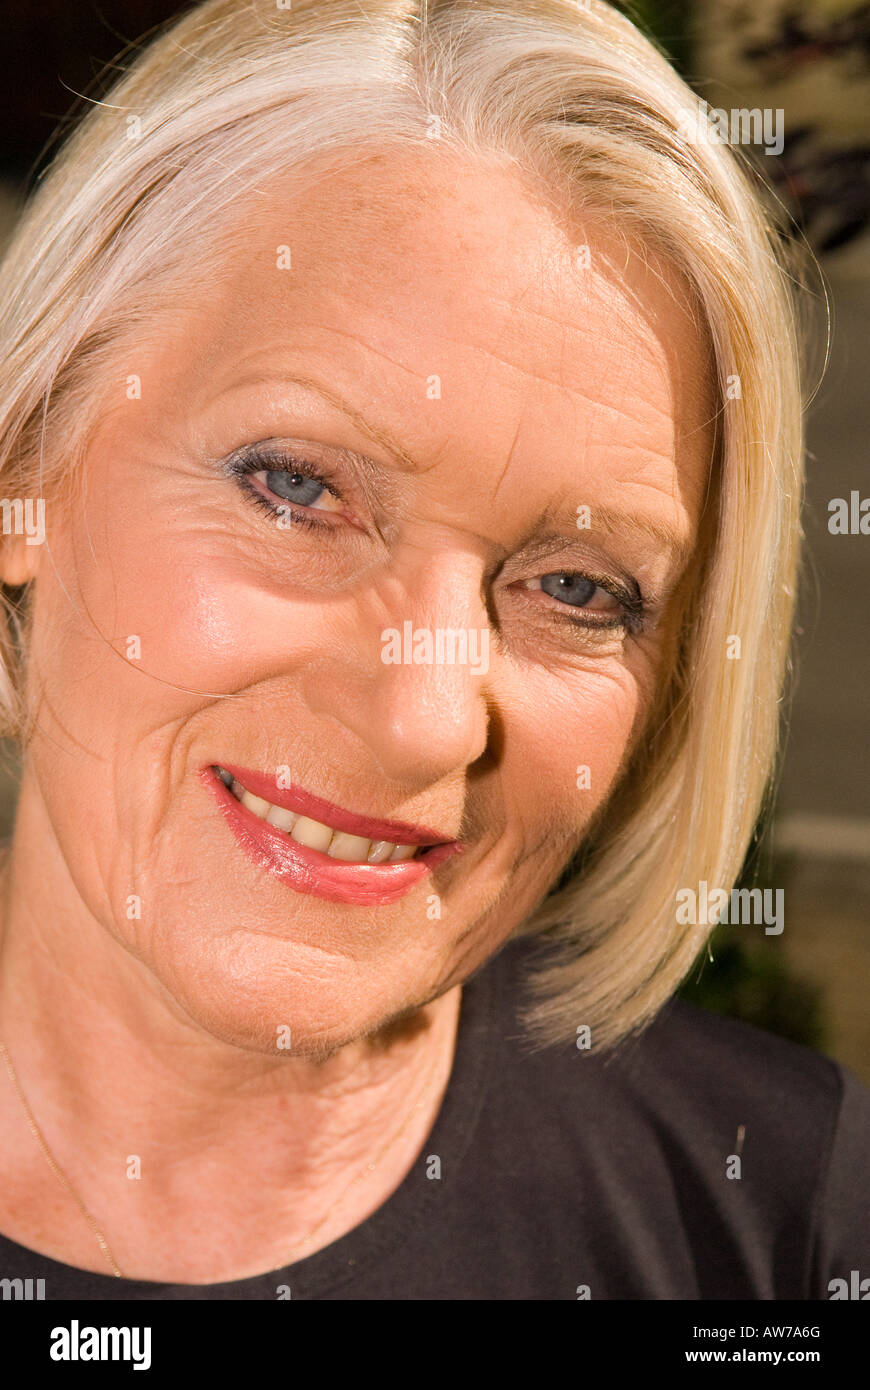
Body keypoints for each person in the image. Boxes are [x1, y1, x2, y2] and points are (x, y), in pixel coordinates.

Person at [0, 0, 865, 1300]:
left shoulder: (786, 1220)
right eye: (295, 487)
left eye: (576, 585)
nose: (424, 718)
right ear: (28, 468)